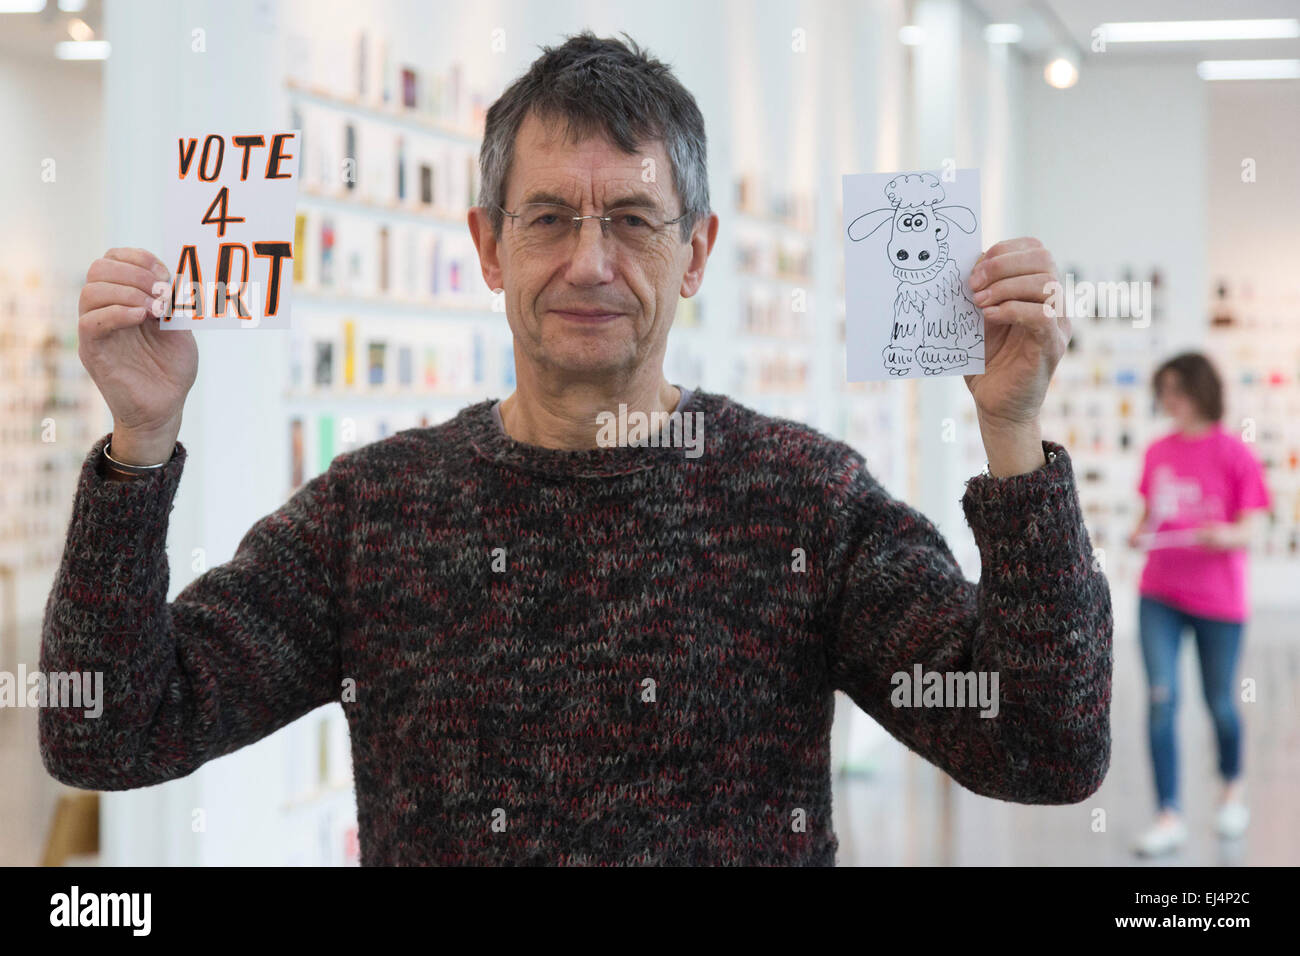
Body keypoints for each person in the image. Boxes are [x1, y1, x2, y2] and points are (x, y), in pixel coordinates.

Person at [40, 30, 1111, 865]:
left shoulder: (803, 500)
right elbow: (110, 730)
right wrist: (139, 445)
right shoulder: (377, 512)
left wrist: (1012, 436)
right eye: (548, 217)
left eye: (634, 220)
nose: (590, 263)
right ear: (487, 246)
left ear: (694, 252)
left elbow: (1039, 746)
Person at [1127, 352, 1271, 857]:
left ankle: (1231, 787)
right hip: (1158, 595)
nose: (1169, 402)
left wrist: (1225, 535)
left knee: (1220, 704)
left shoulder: (1235, 454)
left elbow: (1254, 525)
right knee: (1161, 700)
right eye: (1163, 391)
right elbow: (1149, 513)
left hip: (1218, 600)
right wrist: (1138, 534)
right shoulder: (1156, 450)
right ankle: (1168, 813)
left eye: (1177, 390)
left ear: (1200, 391)